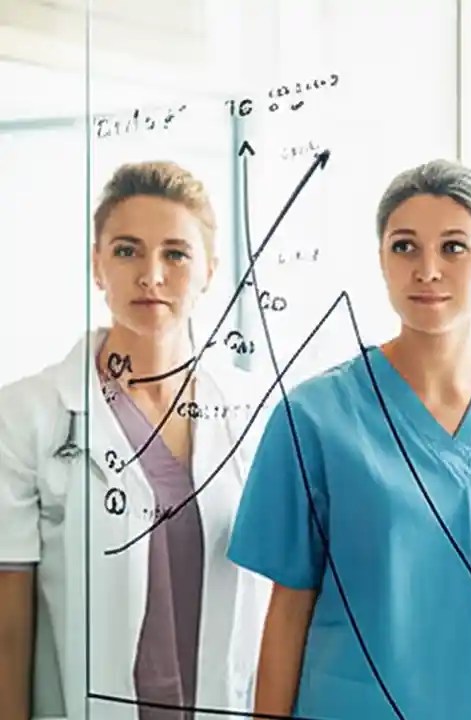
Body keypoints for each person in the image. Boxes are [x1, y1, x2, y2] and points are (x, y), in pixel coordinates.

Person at [226, 159, 471, 720]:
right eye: (405, 247)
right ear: (382, 262)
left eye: (454, 248)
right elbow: (288, 609)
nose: (427, 270)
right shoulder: (313, 416)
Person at [0, 161, 270, 720]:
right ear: (98, 266)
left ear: (210, 270)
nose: (151, 274)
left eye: (176, 253)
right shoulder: (26, 414)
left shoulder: (255, 411)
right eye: (126, 251)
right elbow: (7, 626)